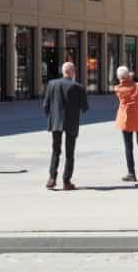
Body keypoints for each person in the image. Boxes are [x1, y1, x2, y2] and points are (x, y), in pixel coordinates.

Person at [43, 60, 88, 190]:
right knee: (70, 152)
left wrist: (52, 116)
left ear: (63, 72)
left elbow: (45, 105)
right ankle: (66, 181)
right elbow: (84, 107)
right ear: (72, 72)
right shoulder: (78, 87)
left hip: (56, 122)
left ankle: (52, 178)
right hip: (71, 122)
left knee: (55, 150)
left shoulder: (52, 84)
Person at [113, 64, 138, 182]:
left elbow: (124, 83)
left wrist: (126, 77)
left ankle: (131, 173)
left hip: (126, 120)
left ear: (119, 77)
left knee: (128, 147)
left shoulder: (118, 89)